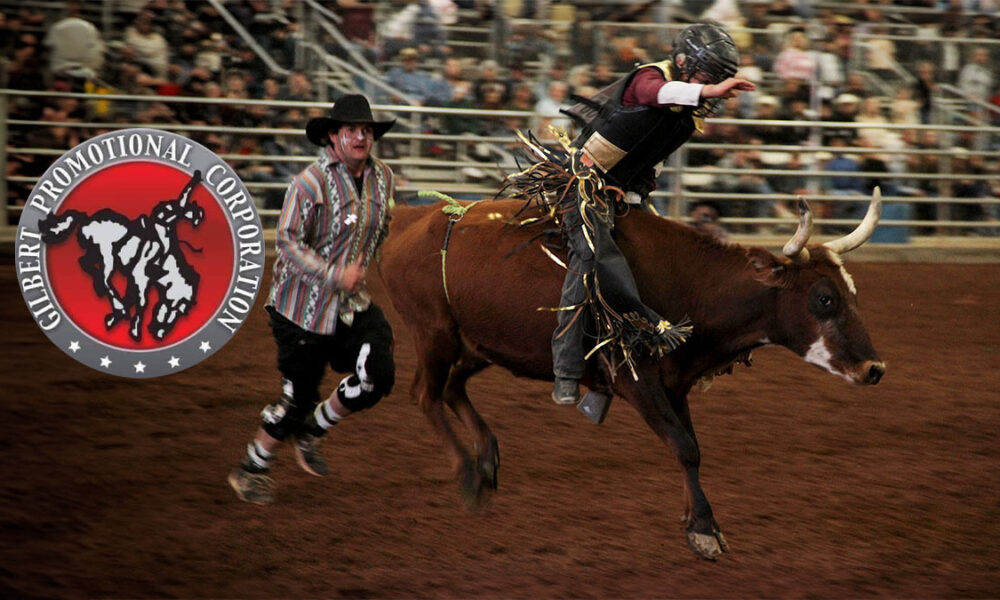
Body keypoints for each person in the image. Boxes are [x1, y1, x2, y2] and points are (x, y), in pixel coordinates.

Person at [512, 23, 754, 408]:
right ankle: (567, 368)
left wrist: (635, 193)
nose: (715, 86)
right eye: (711, 76)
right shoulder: (650, 77)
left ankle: (619, 369)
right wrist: (707, 91)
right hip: (578, 180)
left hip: (621, 192)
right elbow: (655, 94)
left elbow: (649, 159)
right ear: (683, 63)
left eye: (719, 79)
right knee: (590, 257)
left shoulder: (687, 110)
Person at [228, 94, 397, 504]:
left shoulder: (383, 177)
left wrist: (362, 265)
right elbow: (286, 241)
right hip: (300, 307)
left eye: (367, 130)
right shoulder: (309, 183)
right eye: (352, 130)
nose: (361, 136)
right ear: (333, 136)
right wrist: (336, 273)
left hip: (350, 304)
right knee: (297, 397)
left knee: (379, 373)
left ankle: (314, 428)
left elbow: (383, 222)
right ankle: (253, 465)